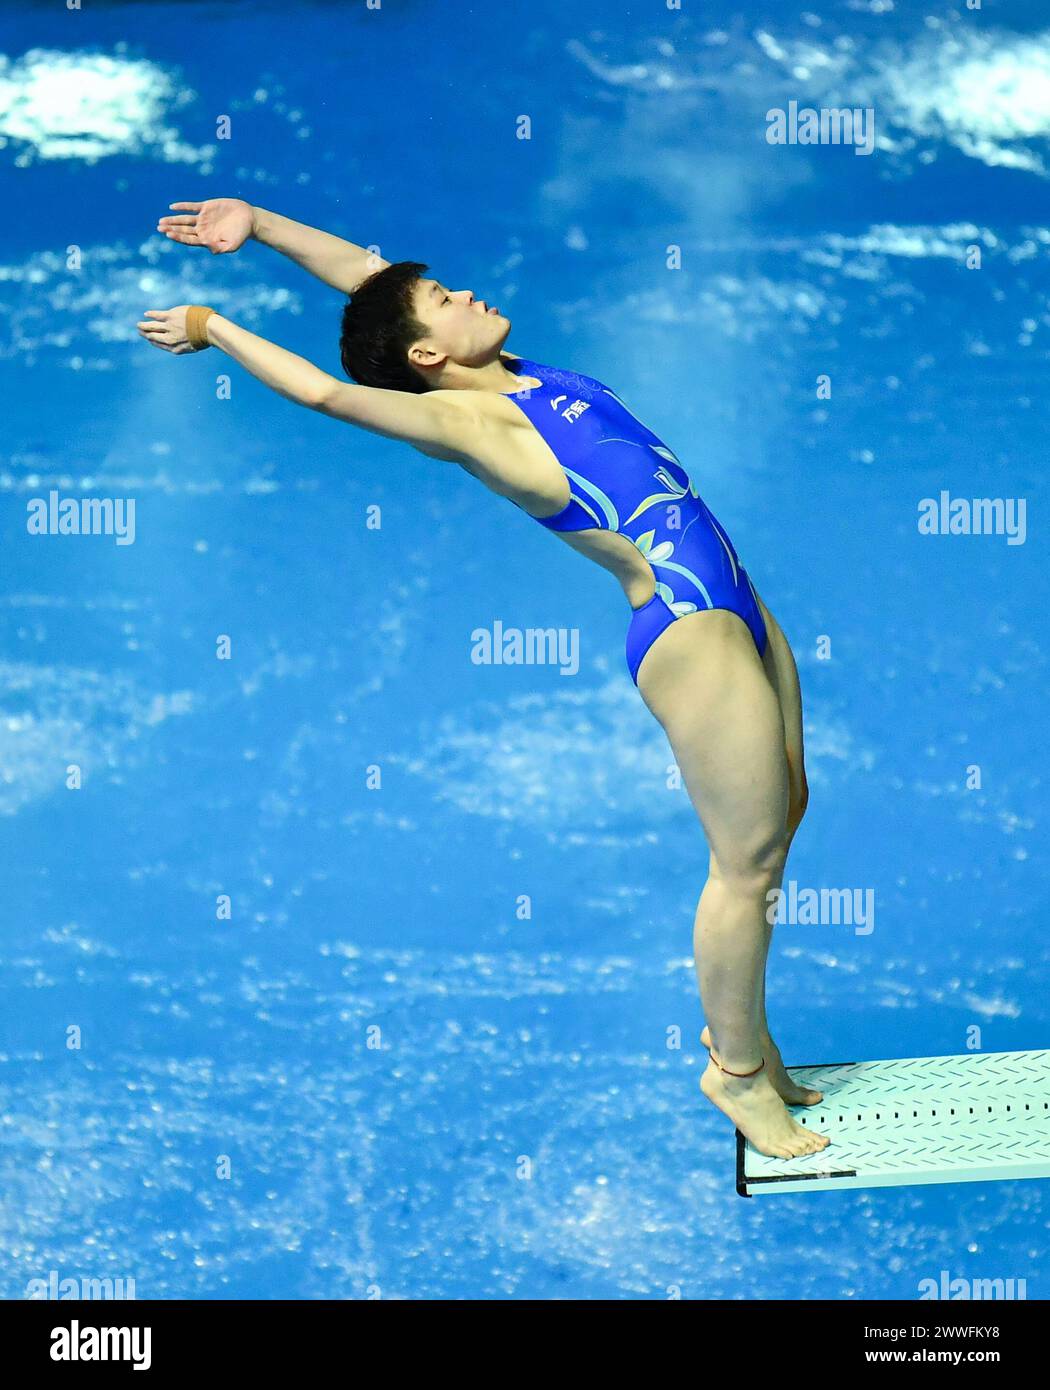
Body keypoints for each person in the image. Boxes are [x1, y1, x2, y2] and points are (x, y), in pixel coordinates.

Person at [141, 198, 830, 1161]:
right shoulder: (467, 420)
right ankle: (737, 1074)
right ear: (429, 356)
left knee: (786, 811)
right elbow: (325, 392)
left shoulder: (520, 373)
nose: (463, 292)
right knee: (744, 867)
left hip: (741, 599)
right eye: (443, 302)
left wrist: (259, 225)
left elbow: (374, 284)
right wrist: (213, 324)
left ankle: (753, 1041)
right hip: (690, 627)